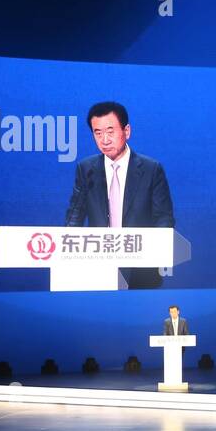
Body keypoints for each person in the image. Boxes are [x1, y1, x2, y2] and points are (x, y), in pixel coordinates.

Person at [64, 100, 175, 289]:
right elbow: (74, 217)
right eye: (97, 133)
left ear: (127, 131)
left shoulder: (151, 169)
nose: (104, 140)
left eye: (110, 131)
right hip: (97, 269)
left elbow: (164, 219)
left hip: (141, 272)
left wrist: (153, 251)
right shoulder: (86, 169)